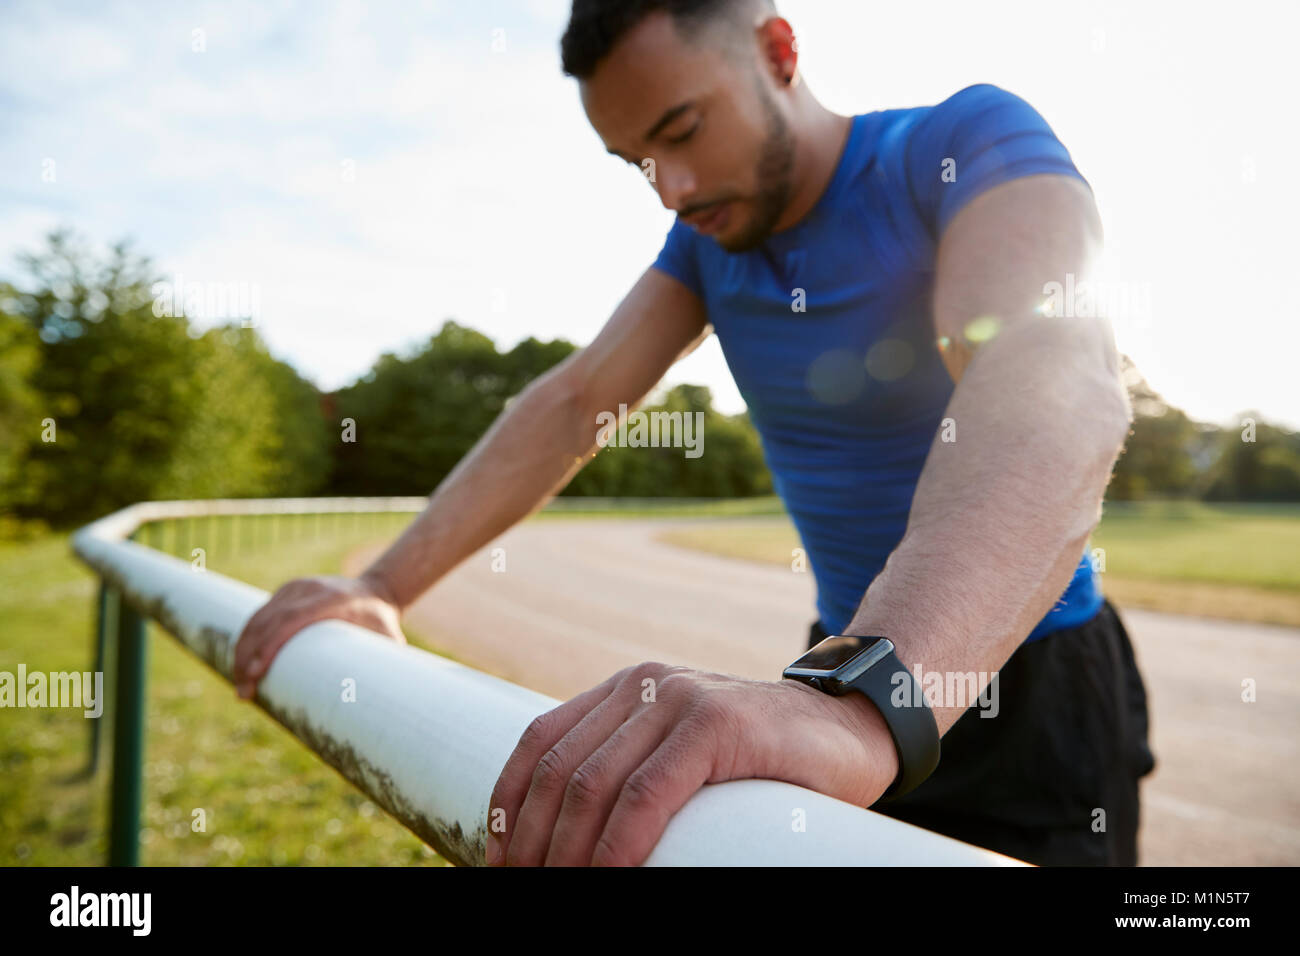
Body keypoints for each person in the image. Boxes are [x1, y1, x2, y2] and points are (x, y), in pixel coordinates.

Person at [234, 0, 1156, 867]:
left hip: (1021, 690)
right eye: (634, 160)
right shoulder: (704, 245)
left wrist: (870, 701)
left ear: (778, 52)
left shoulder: (961, 140)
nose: (669, 189)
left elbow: (1049, 372)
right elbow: (571, 405)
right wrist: (378, 586)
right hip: (841, 666)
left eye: (680, 131)